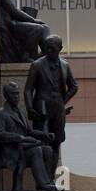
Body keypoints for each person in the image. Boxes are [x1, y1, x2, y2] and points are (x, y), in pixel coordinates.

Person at [24, 34, 79, 180]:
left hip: (58, 111)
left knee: (56, 143)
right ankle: (41, 181)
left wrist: (63, 100)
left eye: (52, 48)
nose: (49, 50)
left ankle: (50, 179)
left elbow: (74, 86)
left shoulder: (65, 65)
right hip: (41, 109)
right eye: (46, 48)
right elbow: (28, 89)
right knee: (43, 144)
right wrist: (30, 108)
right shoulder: (37, 65)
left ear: (60, 48)